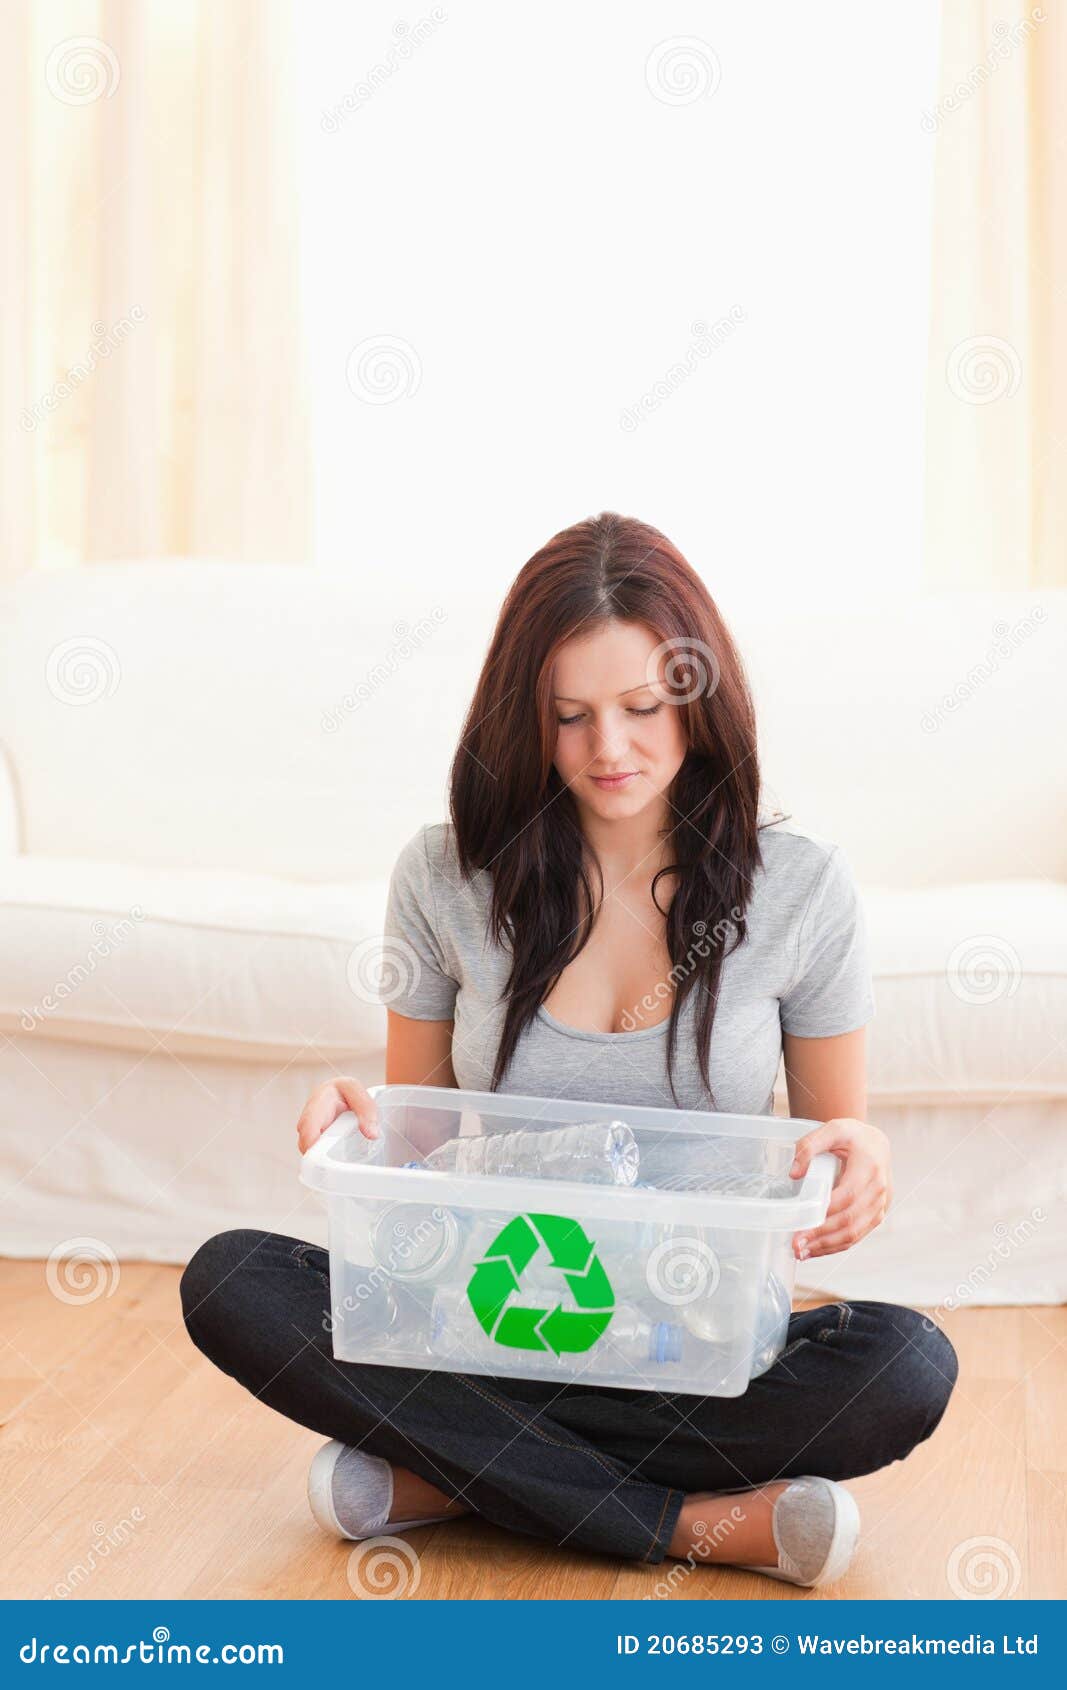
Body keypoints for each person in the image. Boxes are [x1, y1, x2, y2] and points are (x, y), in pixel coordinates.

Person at [180, 512, 958, 1587]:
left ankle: (453, 1477)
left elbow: (834, 1138)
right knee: (230, 1280)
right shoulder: (444, 873)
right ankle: (688, 1523)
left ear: (697, 697)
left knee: (907, 1362)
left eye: (642, 708)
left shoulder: (800, 888)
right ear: (522, 718)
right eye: (568, 716)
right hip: (488, 1319)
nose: (609, 750)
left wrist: (859, 1160)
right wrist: (364, 1127)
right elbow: (421, 1160)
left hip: (694, 1335)